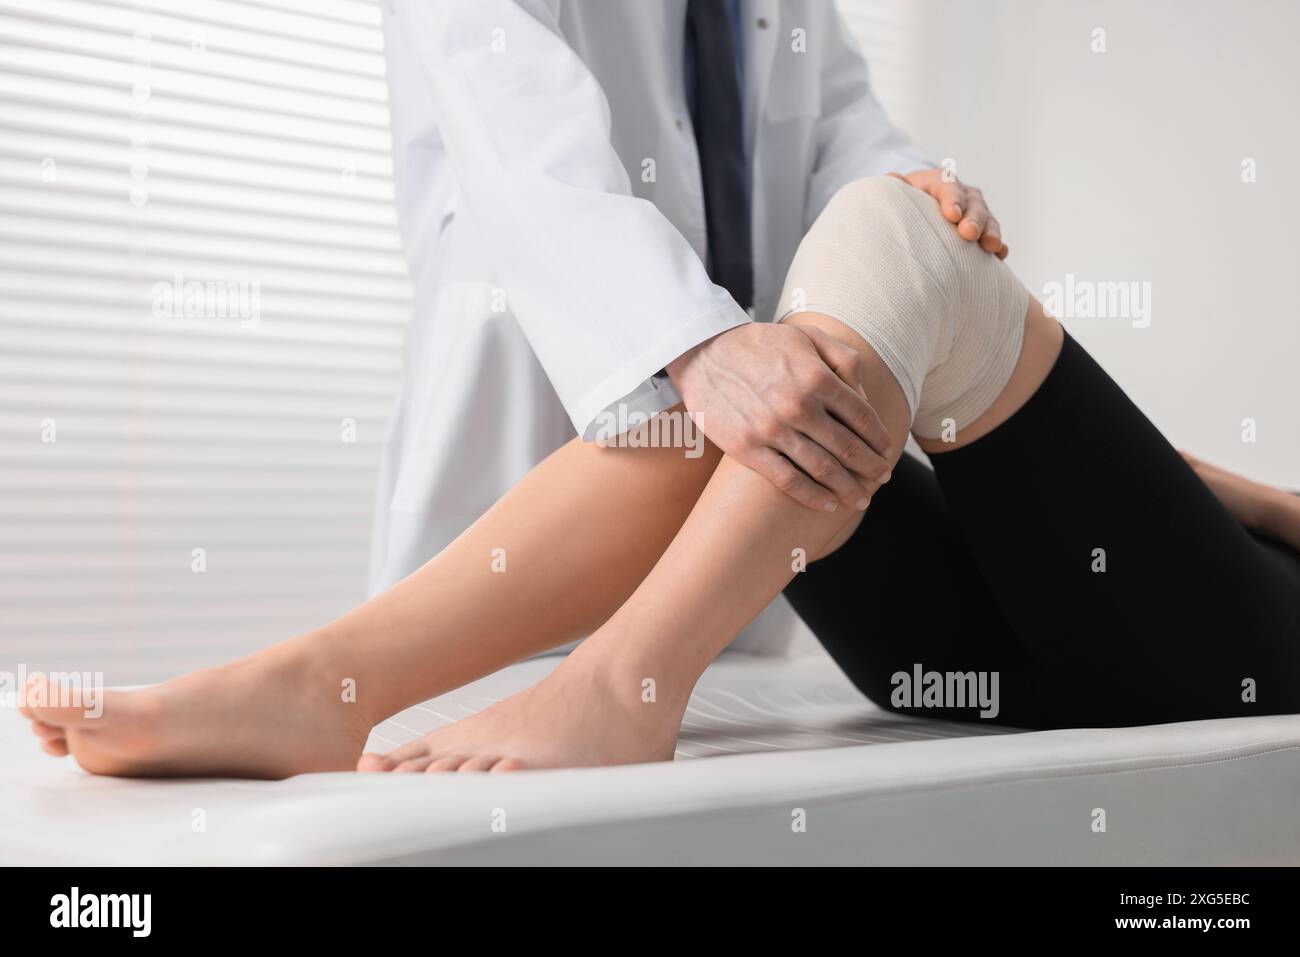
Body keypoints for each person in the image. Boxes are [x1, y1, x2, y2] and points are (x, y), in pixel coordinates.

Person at [22, 176, 1300, 777]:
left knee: (886, 240)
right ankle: (319, 683)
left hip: (1248, 645)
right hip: (1043, 634)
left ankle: (621, 687)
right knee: (766, 375)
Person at [370, 0, 1009, 652]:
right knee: (449, 686)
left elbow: (836, 114)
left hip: (737, 442)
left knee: (692, 697)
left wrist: (899, 189)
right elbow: (510, 110)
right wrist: (692, 341)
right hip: (534, 370)